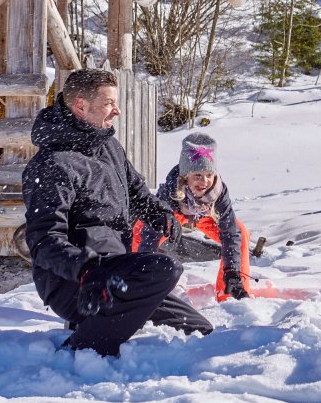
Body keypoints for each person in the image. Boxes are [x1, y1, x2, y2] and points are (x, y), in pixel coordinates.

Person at [23, 69, 213, 357]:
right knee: (164, 269)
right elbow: (43, 242)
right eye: (109, 104)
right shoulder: (53, 165)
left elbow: (136, 191)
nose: (118, 111)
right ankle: (82, 350)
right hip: (76, 282)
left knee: (201, 331)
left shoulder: (108, 146)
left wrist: (158, 212)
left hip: (117, 271)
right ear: (81, 107)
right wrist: (87, 269)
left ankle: (99, 322)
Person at [132, 132, 252, 303]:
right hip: (175, 214)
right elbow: (151, 234)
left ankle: (231, 293)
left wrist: (232, 272)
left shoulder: (219, 191)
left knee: (240, 233)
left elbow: (230, 232)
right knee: (140, 229)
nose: (204, 182)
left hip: (205, 216)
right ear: (185, 176)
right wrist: (143, 269)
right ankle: (135, 285)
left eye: (209, 175)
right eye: (197, 176)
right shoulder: (170, 192)